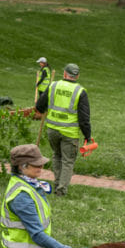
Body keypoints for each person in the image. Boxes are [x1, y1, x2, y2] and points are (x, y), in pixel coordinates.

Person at [0, 144, 87, 248]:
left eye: (41, 162)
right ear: (22, 166)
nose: (41, 166)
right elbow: (37, 235)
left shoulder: (28, 184)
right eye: (36, 164)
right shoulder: (22, 196)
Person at [34, 63, 91, 196]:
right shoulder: (80, 91)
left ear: (64, 73)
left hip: (52, 129)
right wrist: (87, 136)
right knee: (67, 161)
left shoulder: (53, 85)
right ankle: (61, 190)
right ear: (77, 76)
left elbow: (40, 105)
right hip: (69, 133)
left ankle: (57, 184)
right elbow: (84, 118)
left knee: (57, 156)